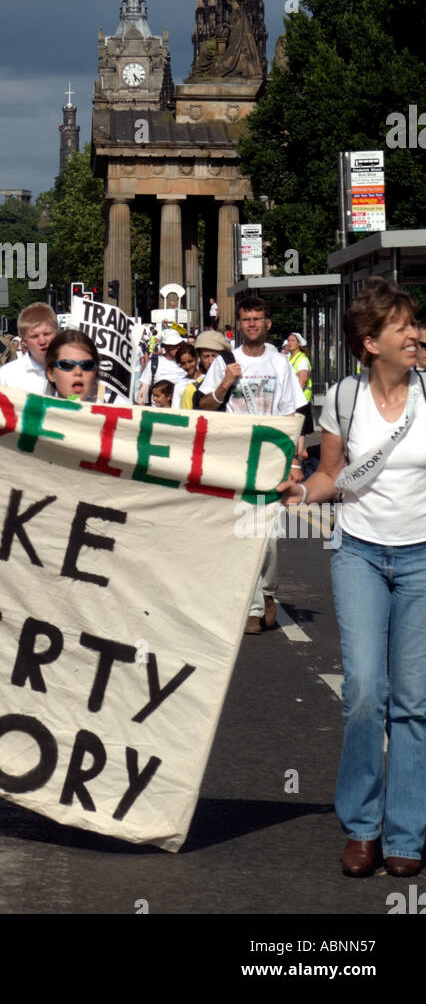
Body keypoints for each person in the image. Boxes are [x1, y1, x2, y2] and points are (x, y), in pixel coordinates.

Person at [279, 278, 426, 878]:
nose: (416, 335)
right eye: (403, 327)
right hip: (360, 554)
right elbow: (332, 477)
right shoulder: (342, 398)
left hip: (422, 558)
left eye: (415, 325)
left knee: (414, 702)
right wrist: (298, 491)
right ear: (370, 342)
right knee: (365, 691)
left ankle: (405, 834)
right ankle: (362, 825)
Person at [197, 295, 306, 634]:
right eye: (246, 319)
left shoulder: (279, 364)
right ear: (239, 324)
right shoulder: (225, 361)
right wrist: (226, 382)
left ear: (267, 323)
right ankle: (254, 608)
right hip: (235, 457)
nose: (253, 324)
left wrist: (297, 460)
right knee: (243, 533)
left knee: (269, 537)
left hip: (272, 457)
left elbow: (295, 412)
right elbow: (203, 406)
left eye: (258, 318)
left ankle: (268, 592)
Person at [44, 330, 129, 406]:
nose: (78, 372)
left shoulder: (114, 413)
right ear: (50, 373)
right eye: (67, 365)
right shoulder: (35, 415)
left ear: (96, 371)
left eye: (87, 365)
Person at [0, 303, 57, 396]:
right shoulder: (7, 376)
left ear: (56, 332)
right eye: (34, 336)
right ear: (24, 340)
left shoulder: (73, 368)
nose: (42, 341)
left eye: (47, 334)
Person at [175, 329, 228, 409]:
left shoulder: (236, 379)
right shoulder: (190, 390)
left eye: (214, 356)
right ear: (200, 358)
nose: (211, 361)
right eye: (206, 356)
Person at [135, 327, 187, 404]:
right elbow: (143, 392)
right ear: (166, 346)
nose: (178, 347)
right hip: (158, 413)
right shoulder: (154, 364)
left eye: (180, 344)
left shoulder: (187, 363)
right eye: (175, 345)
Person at [286, 331, 314, 432]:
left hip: (300, 400)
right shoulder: (289, 358)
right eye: (289, 340)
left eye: (293, 341)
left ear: (299, 344)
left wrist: (295, 397)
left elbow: (303, 379)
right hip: (291, 399)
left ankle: (300, 449)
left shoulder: (302, 359)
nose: (290, 343)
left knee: (300, 431)